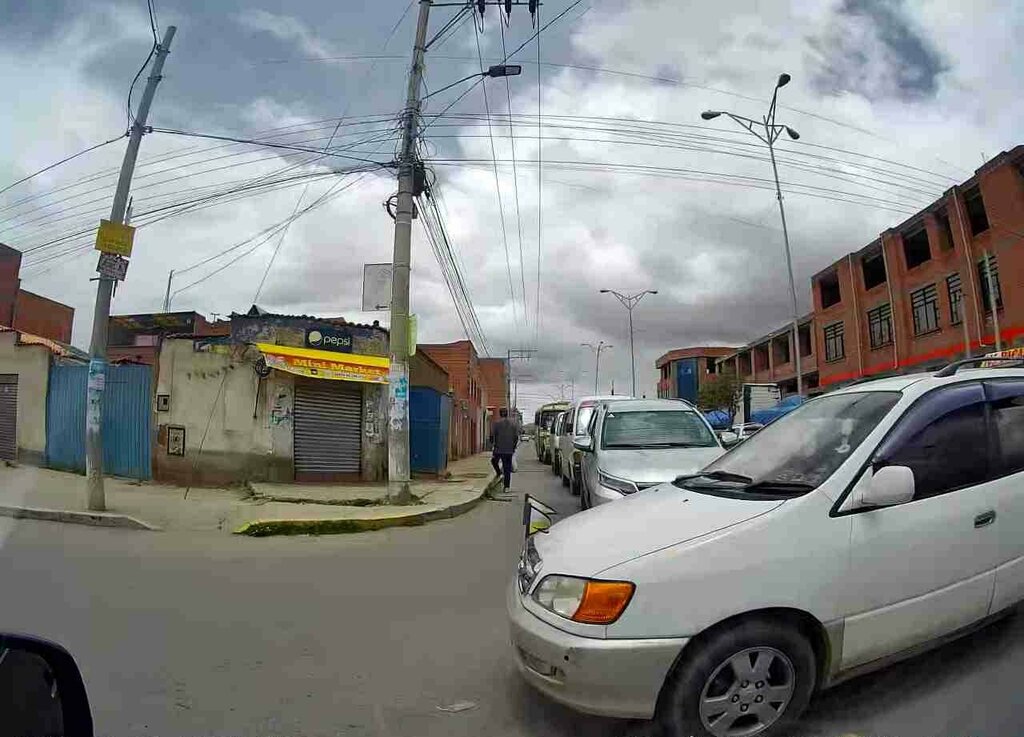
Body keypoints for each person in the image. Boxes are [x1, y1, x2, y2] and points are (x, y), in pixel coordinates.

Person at [489, 408, 518, 492]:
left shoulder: (496, 424)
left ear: (500, 414)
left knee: (494, 461)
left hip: (498, 449)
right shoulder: (513, 424)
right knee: (507, 468)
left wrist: (492, 445)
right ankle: (506, 487)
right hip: (509, 450)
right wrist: (513, 447)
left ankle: (499, 473)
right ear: (507, 414)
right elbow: (516, 437)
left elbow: (492, 436)